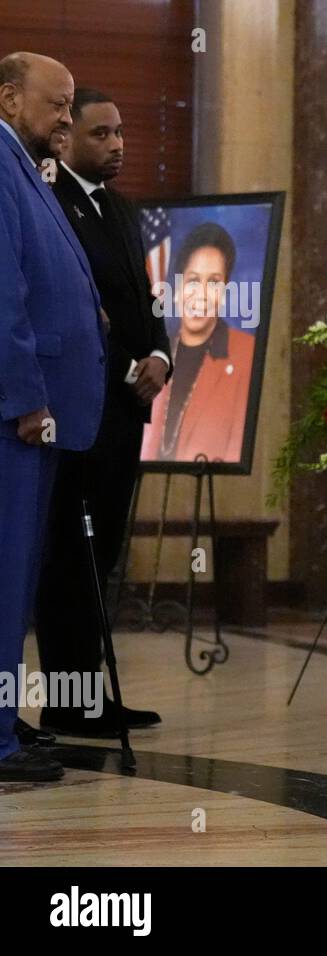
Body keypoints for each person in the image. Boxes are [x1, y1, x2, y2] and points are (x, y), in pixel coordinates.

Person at [35, 87, 170, 738]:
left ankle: (91, 695)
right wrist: (126, 364)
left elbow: (143, 303)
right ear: (65, 140)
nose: (116, 145)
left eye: (121, 133)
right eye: (100, 134)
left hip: (127, 413)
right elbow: (78, 311)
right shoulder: (50, 205)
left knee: (104, 554)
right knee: (69, 558)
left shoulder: (120, 208)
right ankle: (66, 698)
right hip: (83, 407)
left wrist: (161, 358)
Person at [0, 52, 106, 782]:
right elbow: (2, 297)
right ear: (10, 98)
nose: (66, 118)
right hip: (15, 417)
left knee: (17, 579)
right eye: (57, 103)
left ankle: (6, 720)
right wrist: (27, 397)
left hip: (33, 416)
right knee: (5, 579)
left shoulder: (22, 165)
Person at [139, 222, 254, 466]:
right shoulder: (154, 354)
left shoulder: (247, 355)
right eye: (192, 280)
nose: (201, 294)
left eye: (213, 282)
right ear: (178, 287)